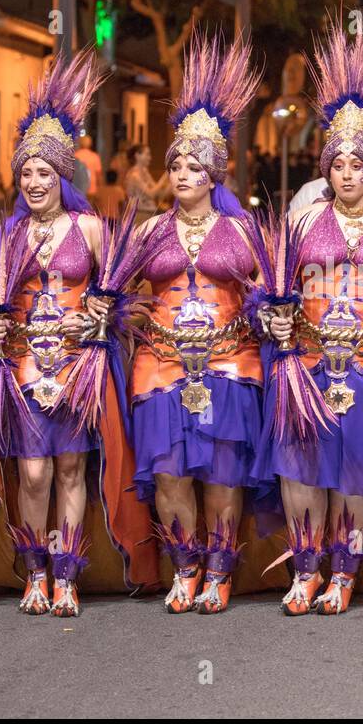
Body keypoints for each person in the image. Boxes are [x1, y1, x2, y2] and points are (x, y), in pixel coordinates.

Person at [0, 49, 151, 617]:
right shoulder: (6, 237)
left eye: (44, 173)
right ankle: (34, 570)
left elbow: (119, 293)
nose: (33, 182)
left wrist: (97, 317)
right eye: (25, 173)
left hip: (79, 362)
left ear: (63, 176)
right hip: (28, 361)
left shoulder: (89, 228)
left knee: (74, 467)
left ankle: (68, 575)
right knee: (33, 470)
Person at [254, 23, 363, 615]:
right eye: (338, 163)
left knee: (355, 470)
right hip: (310, 360)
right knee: (302, 466)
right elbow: (279, 287)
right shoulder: (301, 221)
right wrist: (275, 317)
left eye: (358, 164)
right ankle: (305, 568)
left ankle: (345, 571)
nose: (347, 173)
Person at [129, 32, 270, 615]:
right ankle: (183, 566)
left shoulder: (241, 232)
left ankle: (219, 567)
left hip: (228, 363)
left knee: (220, 474)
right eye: (177, 165)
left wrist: (268, 305)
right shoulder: (147, 232)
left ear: (214, 175)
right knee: (168, 474)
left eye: (195, 166)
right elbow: (117, 292)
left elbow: (272, 289)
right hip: (159, 362)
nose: (183, 173)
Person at [74, 133, 102, 198]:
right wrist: (100, 188)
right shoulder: (95, 156)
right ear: (90, 144)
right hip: (92, 189)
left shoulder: (75, 156)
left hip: (78, 188)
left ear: (80, 143)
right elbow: (98, 175)